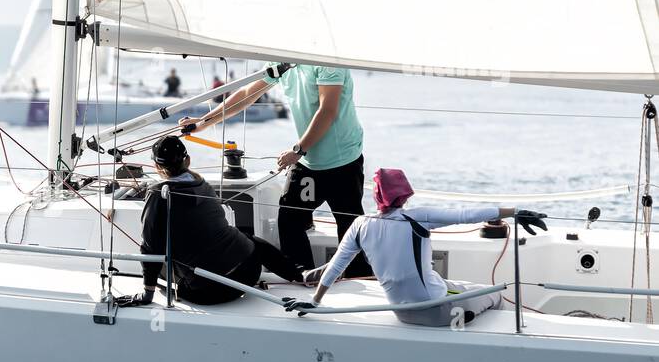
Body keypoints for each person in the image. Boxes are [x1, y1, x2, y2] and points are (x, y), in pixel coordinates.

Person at [289, 168, 547, 326]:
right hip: (437, 313)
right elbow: (465, 214)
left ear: (377, 195)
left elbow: (336, 267)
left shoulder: (360, 224)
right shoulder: (417, 217)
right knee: (494, 294)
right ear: (406, 195)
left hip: (402, 313)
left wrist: (315, 301)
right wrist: (515, 211)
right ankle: (479, 326)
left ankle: (462, 309)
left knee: (452, 285)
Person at [182, 61, 370, 278]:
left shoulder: (327, 61)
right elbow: (247, 93)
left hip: (343, 159)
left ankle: (358, 276)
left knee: (348, 224)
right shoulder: (281, 61)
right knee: (289, 219)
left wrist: (298, 149)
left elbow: (327, 110)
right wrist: (204, 122)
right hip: (308, 160)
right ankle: (302, 275)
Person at [117, 135, 304, 307]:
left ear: (157, 167)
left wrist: (147, 295)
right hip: (249, 272)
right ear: (187, 160)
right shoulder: (202, 184)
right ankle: (298, 274)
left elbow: (150, 247)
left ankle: (156, 290)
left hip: (211, 291)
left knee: (161, 268)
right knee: (246, 238)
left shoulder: (158, 194)